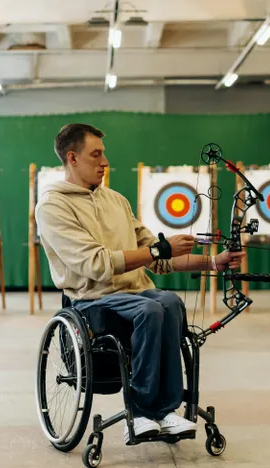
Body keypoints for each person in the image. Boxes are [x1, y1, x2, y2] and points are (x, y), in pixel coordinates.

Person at [35, 123, 244, 443]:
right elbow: (97, 264)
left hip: (137, 292)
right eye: (97, 154)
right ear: (72, 158)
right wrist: (157, 249)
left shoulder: (116, 201)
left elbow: (158, 258)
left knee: (170, 302)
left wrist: (212, 261)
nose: (105, 162)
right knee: (150, 309)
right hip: (92, 300)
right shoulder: (53, 205)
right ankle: (143, 413)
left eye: (104, 154)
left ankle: (166, 410)